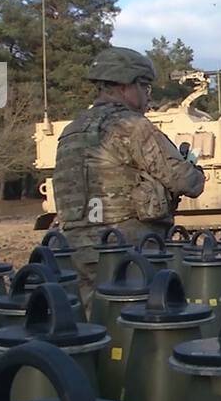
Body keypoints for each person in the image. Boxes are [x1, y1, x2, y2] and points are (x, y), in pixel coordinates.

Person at [53, 46, 204, 306]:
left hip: (78, 249)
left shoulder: (71, 130)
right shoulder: (132, 126)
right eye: (144, 86)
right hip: (130, 248)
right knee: (137, 324)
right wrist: (194, 170)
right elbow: (186, 182)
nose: (148, 95)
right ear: (124, 86)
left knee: (95, 319)